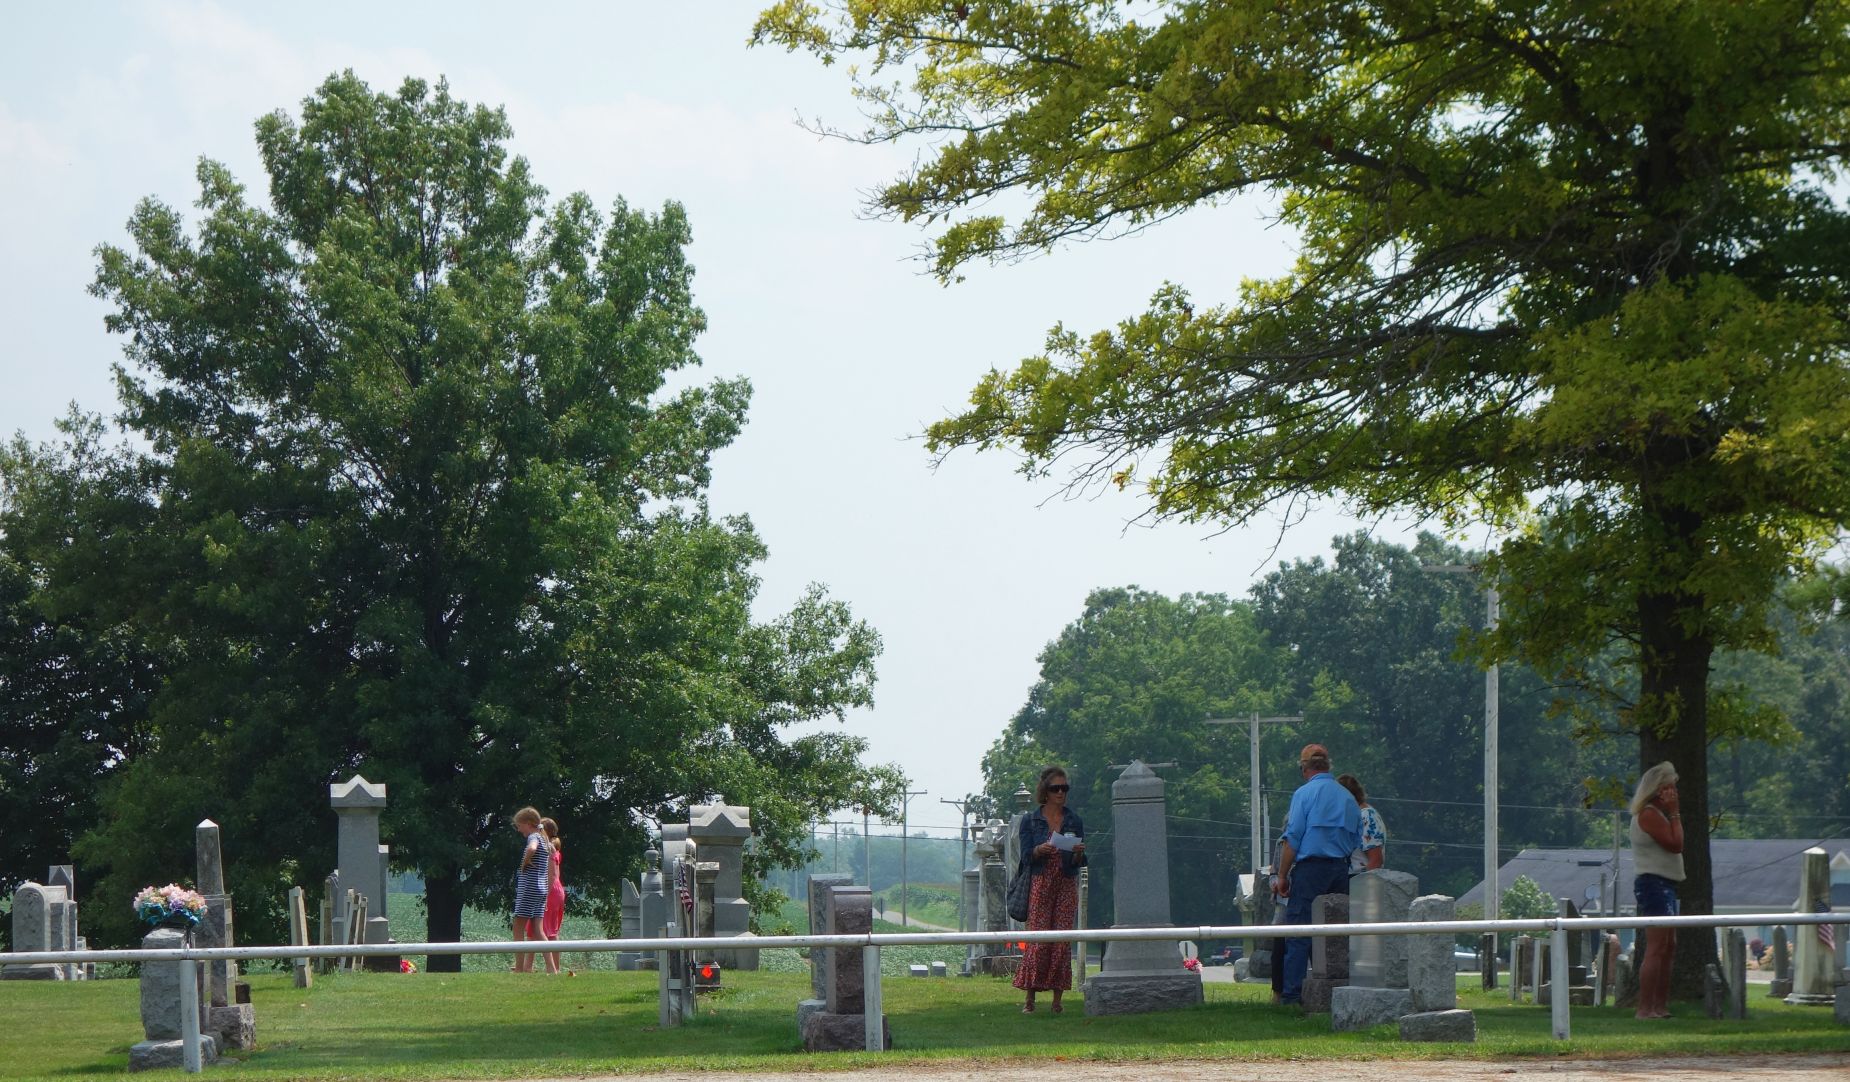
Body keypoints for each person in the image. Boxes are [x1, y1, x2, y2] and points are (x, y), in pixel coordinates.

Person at [1273, 743, 1360, 1007]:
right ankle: (1339, 989)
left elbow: (1294, 838)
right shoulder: (1347, 797)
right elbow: (1356, 837)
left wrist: (1282, 875)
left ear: (1304, 768)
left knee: (1300, 930)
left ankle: (1292, 995)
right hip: (1340, 869)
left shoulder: (1304, 794)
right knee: (1337, 932)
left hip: (1311, 869)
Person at [1014, 766, 1086, 1014]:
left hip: (1065, 883)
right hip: (1041, 882)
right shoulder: (1030, 820)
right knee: (1038, 939)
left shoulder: (1074, 820)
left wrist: (1078, 853)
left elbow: (1080, 861)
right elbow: (1024, 856)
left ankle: (1057, 1001)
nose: (1061, 793)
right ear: (1045, 791)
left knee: (1061, 940)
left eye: (1065, 788)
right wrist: (1038, 850)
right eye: (1056, 788)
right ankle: (1030, 999)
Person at [1629, 761, 1683, 1019]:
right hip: (1654, 885)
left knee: (1668, 946)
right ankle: (1645, 1007)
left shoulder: (1656, 814)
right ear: (1659, 790)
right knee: (1656, 946)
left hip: (1666, 884)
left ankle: (1659, 1006)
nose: (1674, 794)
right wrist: (1675, 812)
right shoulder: (1649, 814)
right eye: (1670, 788)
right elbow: (1676, 844)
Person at [510, 806, 551, 973]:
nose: (519, 830)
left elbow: (532, 848)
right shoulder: (544, 839)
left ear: (528, 823)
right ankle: (552, 968)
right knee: (538, 930)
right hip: (541, 887)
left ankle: (519, 968)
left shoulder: (534, 836)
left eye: (519, 825)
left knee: (518, 926)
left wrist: (525, 862)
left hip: (529, 886)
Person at [1337, 773, 1386, 873]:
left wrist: (1364, 886)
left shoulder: (1366, 816)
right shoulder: (1355, 816)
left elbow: (1376, 861)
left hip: (1360, 883)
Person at [540, 817, 566, 975]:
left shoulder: (548, 850)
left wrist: (544, 895)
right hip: (559, 891)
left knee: (545, 931)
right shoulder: (556, 850)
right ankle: (556, 967)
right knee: (552, 931)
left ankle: (553, 968)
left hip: (551, 891)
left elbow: (550, 876)